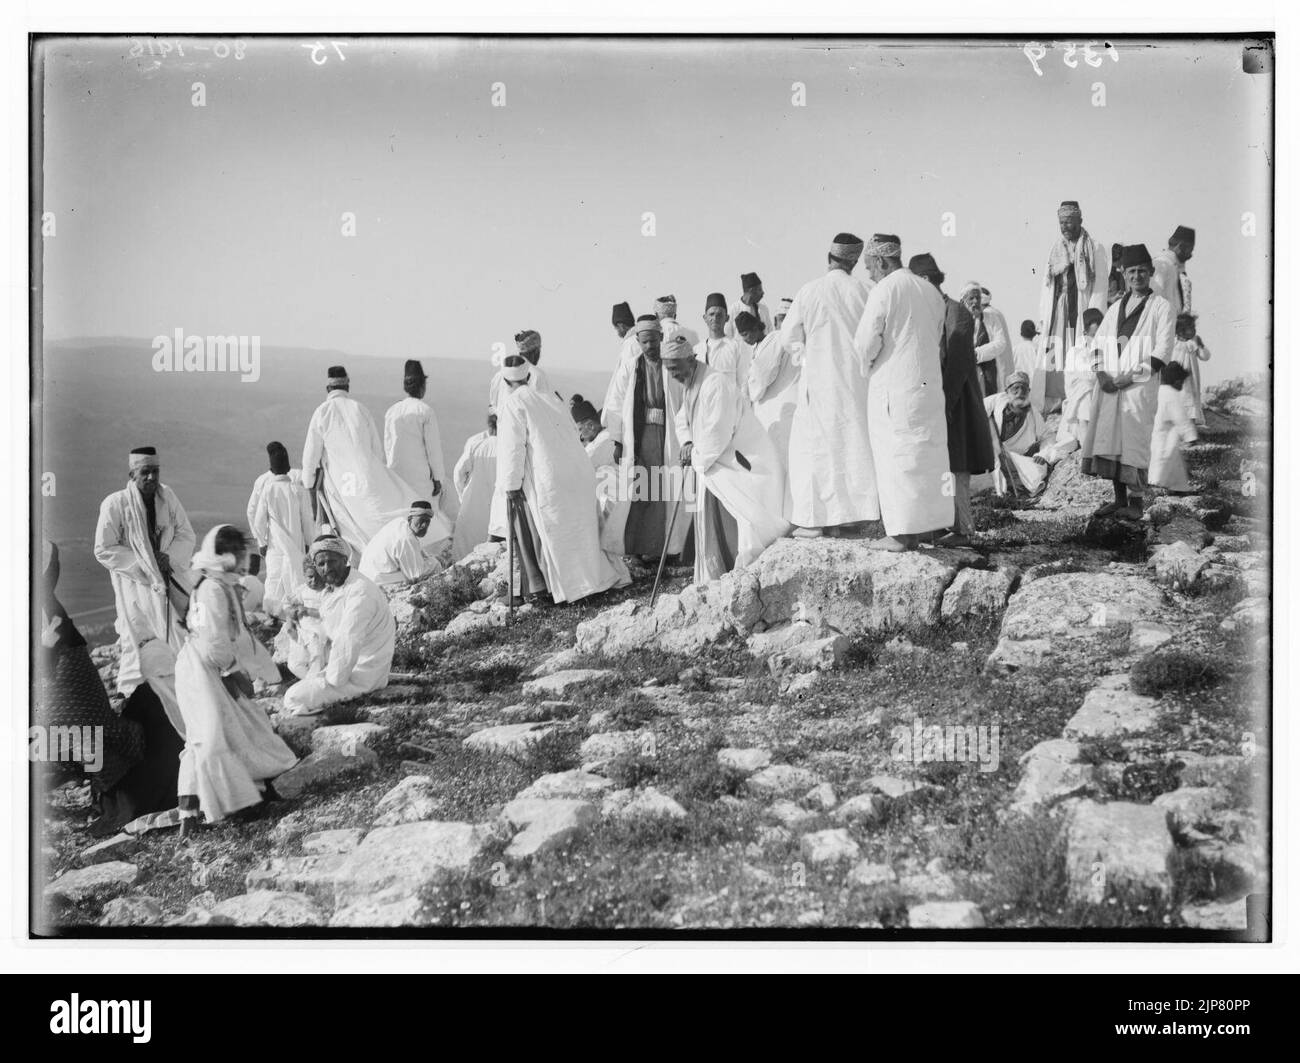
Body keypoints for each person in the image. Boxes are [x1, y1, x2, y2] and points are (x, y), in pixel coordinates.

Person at [174, 525, 298, 832]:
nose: (238, 558)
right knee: (212, 737)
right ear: (221, 554)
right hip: (202, 670)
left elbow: (236, 635)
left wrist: (265, 671)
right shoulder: (211, 590)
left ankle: (213, 807)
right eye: (232, 552)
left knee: (237, 728)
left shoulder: (218, 585)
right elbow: (212, 639)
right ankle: (229, 807)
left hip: (208, 666)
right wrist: (232, 673)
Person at [38, 540, 153, 837]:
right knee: (84, 734)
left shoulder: (39, 596)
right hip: (60, 668)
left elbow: (49, 560)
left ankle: (107, 793)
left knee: (87, 733)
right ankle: (106, 792)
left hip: (65, 666)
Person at [496, 354, 632, 602]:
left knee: (553, 535)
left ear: (505, 382)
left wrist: (511, 485)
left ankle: (557, 590)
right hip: (577, 473)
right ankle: (595, 582)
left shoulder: (512, 404)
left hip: (547, 477)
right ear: (528, 376)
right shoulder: (550, 398)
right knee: (581, 531)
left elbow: (512, 448)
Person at [854, 235, 952, 551]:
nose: (869, 274)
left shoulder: (884, 289)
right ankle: (923, 529)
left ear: (882, 262)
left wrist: (866, 366)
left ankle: (898, 534)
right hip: (926, 386)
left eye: (869, 266)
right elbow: (937, 336)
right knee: (925, 455)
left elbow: (867, 340)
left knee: (896, 457)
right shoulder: (930, 292)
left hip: (894, 387)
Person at [664, 337, 790, 583]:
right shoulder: (691, 382)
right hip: (710, 461)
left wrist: (697, 459)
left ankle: (738, 575)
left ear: (691, 359)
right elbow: (682, 420)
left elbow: (718, 432)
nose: (674, 375)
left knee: (743, 521)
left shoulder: (715, 383)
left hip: (734, 463)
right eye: (669, 370)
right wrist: (688, 443)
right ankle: (718, 576)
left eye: (676, 368)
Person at [781, 232, 879, 538]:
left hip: (819, 384)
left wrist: (807, 359)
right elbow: (877, 337)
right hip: (856, 381)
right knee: (853, 443)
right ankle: (851, 518)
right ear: (854, 263)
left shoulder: (810, 290)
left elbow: (788, 338)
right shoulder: (867, 290)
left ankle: (816, 522)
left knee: (815, 449)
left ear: (829, 259)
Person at [302, 365, 449, 558]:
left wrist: (309, 483)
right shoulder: (360, 409)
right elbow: (377, 451)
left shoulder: (321, 412)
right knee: (382, 513)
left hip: (339, 482)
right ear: (348, 386)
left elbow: (310, 456)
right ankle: (403, 551)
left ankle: (369, 562)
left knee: (349, 527)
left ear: (328, 389)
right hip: (368, 475)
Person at [1080, 244, 1175, 519]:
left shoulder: (1161, 307)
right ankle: (1119, 499)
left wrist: (1128, 377)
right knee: (1112, 442)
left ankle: (1136, 503)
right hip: (1109, 386)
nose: (1136, 276)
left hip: (1138, 387)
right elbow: (1096, 346)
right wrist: (1102, 375)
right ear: (1123, 273)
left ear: (1150, 272)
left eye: (1142, 271)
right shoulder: (1115, 308)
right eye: (1132, 271)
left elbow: (1163, 352)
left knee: (1134, 441)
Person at [94, 446, 195, 705]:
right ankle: (130, 693)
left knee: (177, 630)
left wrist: (168, 557)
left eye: (155, 471)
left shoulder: (168, 496)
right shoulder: (115, 503)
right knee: (136, 635)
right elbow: (104, 548)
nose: (151, 478)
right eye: (145, 472)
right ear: (132, 474)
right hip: (135, 584)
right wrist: (145, 563)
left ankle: (179, 687)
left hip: (167, 578)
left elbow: (186, 534)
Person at [910, 254, 995, 547]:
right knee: (942, 463)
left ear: (926, 280)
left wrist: (944, 404)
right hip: (941, 402)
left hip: (955, 403)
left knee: (957, 464)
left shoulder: (955, 312)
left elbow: (957, 363)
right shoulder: (932, 311)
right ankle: (942, 524)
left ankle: (963, 528)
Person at [601, 315, 693, 561]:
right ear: (638, 342)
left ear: (661, 337)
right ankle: (639, 547)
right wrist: (618, 440)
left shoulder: (671, 363)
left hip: (669, 436)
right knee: (641, 492)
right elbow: (615, 404)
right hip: (640, 438)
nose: (650, 346)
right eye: (645, 342)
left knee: (668, 490)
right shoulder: (631, 366)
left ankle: (670, 547)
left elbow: (686, 397)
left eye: (653, 340)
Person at [283, 536, 396, 716]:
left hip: (363, 672)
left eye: (332, 561)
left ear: (345, 560)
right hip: (348, 663)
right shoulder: (335, 586)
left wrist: (330, 681)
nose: (326, 568)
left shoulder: (360, 590)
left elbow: (349, 639)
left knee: (293, 697)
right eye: (321, 564)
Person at [1037, 200, 1110, 409]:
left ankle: (1078, 397)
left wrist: (1094, 318)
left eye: (1069, 222)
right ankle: (1057, 399)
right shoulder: (1055, 248)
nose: (1065, 227)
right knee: (1055, 352)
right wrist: (1043, 315)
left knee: (1079, 351)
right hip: (1058, 309)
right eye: (1061, 223)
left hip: (1081, 308)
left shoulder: (1094, 247)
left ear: (1080, 221)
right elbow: (1046, 284)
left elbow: (1100, 284)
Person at [385, 359, 459, 529]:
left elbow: (388, 445)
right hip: (421, 477)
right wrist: (438, 478)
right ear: (422, 386)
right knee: (425, 519)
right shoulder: (425, 411)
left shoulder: (392, 411)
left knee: (402, 518)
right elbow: (433, 450)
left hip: (396, 475)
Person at [739, 309, 798, 518]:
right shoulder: (759, 347)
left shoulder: (773, 341)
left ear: (757, 328)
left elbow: (760, 381)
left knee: (783, 463)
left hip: (779, 411)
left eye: (748, 333)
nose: (746, 338)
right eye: (742, 335)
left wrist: (748, 386)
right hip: (770, 413)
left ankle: (788, 515)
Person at [251, 441, 315, 615]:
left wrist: (262, 543)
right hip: (296, 546)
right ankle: (297, 618)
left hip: (275, 548)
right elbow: (308, 522)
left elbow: (258, 522)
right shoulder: (299, 491)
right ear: (288, 468)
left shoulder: (268, 490)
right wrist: (310, 543)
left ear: (271, 470)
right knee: (297, 584)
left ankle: (271, 621)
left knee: (273, 584)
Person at [1151, 226, 1203, 421]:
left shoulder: (1174, 267)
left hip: (1176, 332)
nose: (1190, 255)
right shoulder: (1162, 265)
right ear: (1181, 247)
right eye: (1189, 250)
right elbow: (1156, 298)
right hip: (1165, 332)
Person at [1149, 314, 1202, 491]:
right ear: (1175, 381)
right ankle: (1161, 484)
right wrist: (1191, 436)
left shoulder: (1161, 391)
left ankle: (1174, 485)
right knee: (1166, 456)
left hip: (1160, 430)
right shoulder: (1171, 395)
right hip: (1167, 432)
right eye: (1180, 382)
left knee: (1166, 457)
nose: (1181, 385)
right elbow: (1180, 418)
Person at [571, 394, 629, 554]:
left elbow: (580, 467)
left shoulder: (600, 444)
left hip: (618, 501)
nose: (581, 436)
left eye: (580, 430)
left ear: (590, 425)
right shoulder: (607, 435)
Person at [985, 372, 1053, 497]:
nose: (1020, 392)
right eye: (1015, 388)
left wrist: (1043, 454)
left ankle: (1012, 488)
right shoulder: (993, 402)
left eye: (1024, 389)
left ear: (1029, 391)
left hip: (1016, 460)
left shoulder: (1032, 413)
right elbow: (975, 413)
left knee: (1037, 469)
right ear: (1007, 392)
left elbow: (1047, 436)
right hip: (989, 454)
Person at [1055, 307, 1106, 452]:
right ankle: (1087, 449)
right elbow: (1089, 377)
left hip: (1099, 400)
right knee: (1086, 391)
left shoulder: (1106, 350)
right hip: (1078, 406)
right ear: (1085, 334)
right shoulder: (1076, 352)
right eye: (1094, 335)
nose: (1098, 339)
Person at [451, 411, 499, 561]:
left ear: (489, 426)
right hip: (496, 506)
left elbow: (458, 473)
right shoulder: (509, 446)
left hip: (473, 503)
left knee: (465, 548)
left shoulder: (476, 444)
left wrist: (463, 496)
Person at [360, 501, 444, 587]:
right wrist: (435, 562)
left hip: (369, 574)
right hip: (376, 579)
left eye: (427, 522)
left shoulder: (400, 523)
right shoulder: (406, 537)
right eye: (421, 520)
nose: (424, 525)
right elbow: (416, 574)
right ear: (409, 519)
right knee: (435, 566)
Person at [273, 555, 328, 681]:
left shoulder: (327, 591)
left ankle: (317, 683)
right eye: (310, 577)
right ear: (304, 575)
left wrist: (308, 611)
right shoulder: (302, 590)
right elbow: (286, 603)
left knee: (317, 658)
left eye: (318, 576)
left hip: (319, 633)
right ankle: (312, 682)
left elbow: (328, 613)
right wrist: (290, 613)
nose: (314, 581)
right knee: (294, 664)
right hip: (301, 632)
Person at [960, 281, 1013, 398]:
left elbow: (1000, 343)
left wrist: (976, 354)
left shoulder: (991, 318)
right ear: (963, 301)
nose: (975, 302)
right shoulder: (957, 321)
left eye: (977, 298)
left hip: (989, 375)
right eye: (971, 298)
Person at [695, 292, 747, 395]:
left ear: (727, 318)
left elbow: (743, 385)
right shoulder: (697, 350)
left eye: (719, 315)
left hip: (729, 408)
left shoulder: (736, 347)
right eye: (711, 314)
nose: (715, 318)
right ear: (705, 318)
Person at [724, 271, 773, 340]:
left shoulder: (763, 309)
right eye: (760, 290)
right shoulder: (733, 309)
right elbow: (727, 335)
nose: (763, 293)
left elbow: (770, 332)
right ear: (751, 290)